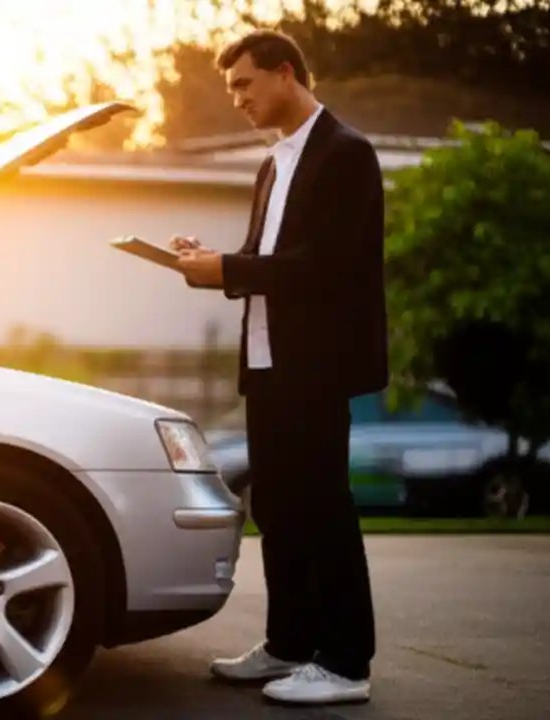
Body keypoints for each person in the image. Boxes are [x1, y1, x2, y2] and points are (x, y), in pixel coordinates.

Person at [173, 29, 388, 706]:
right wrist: (214, 259)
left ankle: (347, 664)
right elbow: (270, 259)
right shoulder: (274, 163)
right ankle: (290, 645)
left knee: (323, 506)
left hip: (317, 366)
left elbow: (326, 266)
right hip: (266, 363)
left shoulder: (347, 155)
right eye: (231, 87)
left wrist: (227, 270)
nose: (236, 99)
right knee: (278, 504)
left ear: (286, 73)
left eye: (244, 84)